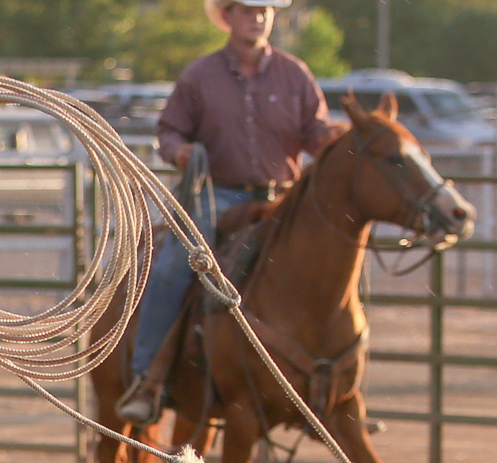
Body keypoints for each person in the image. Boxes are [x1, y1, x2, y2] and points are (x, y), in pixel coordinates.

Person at [115, 0, 333, 425]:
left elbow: (315, 132)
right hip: (218, 197)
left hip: (281, 201)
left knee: (329, 266)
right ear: (227, 16)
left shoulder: (296, 75)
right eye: (248, 10)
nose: (258, 16)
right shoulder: (200, 76)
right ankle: (148, 378)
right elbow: (169, 130)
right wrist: (180, 150)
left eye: (265, 10)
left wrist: (336, 138)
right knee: (172, 268)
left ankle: (327, 383)